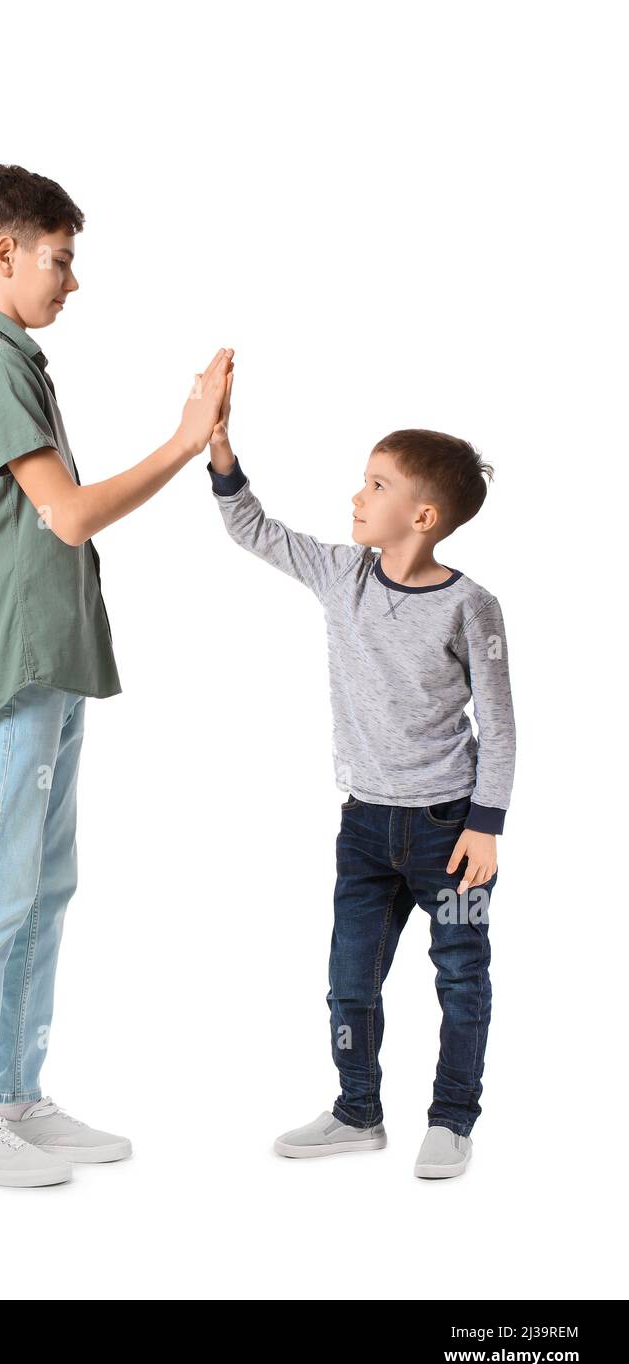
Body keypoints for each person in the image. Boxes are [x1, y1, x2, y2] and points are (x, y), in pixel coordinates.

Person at [0, 163, 233, 1187]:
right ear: (2, 252)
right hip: (15, 662)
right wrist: (185, 441)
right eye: (60, 257)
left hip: (50, 658)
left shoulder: (16, 359)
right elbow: (66, 514)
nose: (71, 279)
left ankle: (11, 1095)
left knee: (42, 884)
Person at [206, 412, 516, 1180]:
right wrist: (220, 457)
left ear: (423, 515)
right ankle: (356, 1111)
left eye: (376, 485)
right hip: (365, 829)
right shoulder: (341, 574)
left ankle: (452, 1120)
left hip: (451, 835)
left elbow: (500, 726)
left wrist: (486, 825)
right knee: (350, 982)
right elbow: (253, 528)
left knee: (461, 976)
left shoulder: (470, 606)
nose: (356, 495)